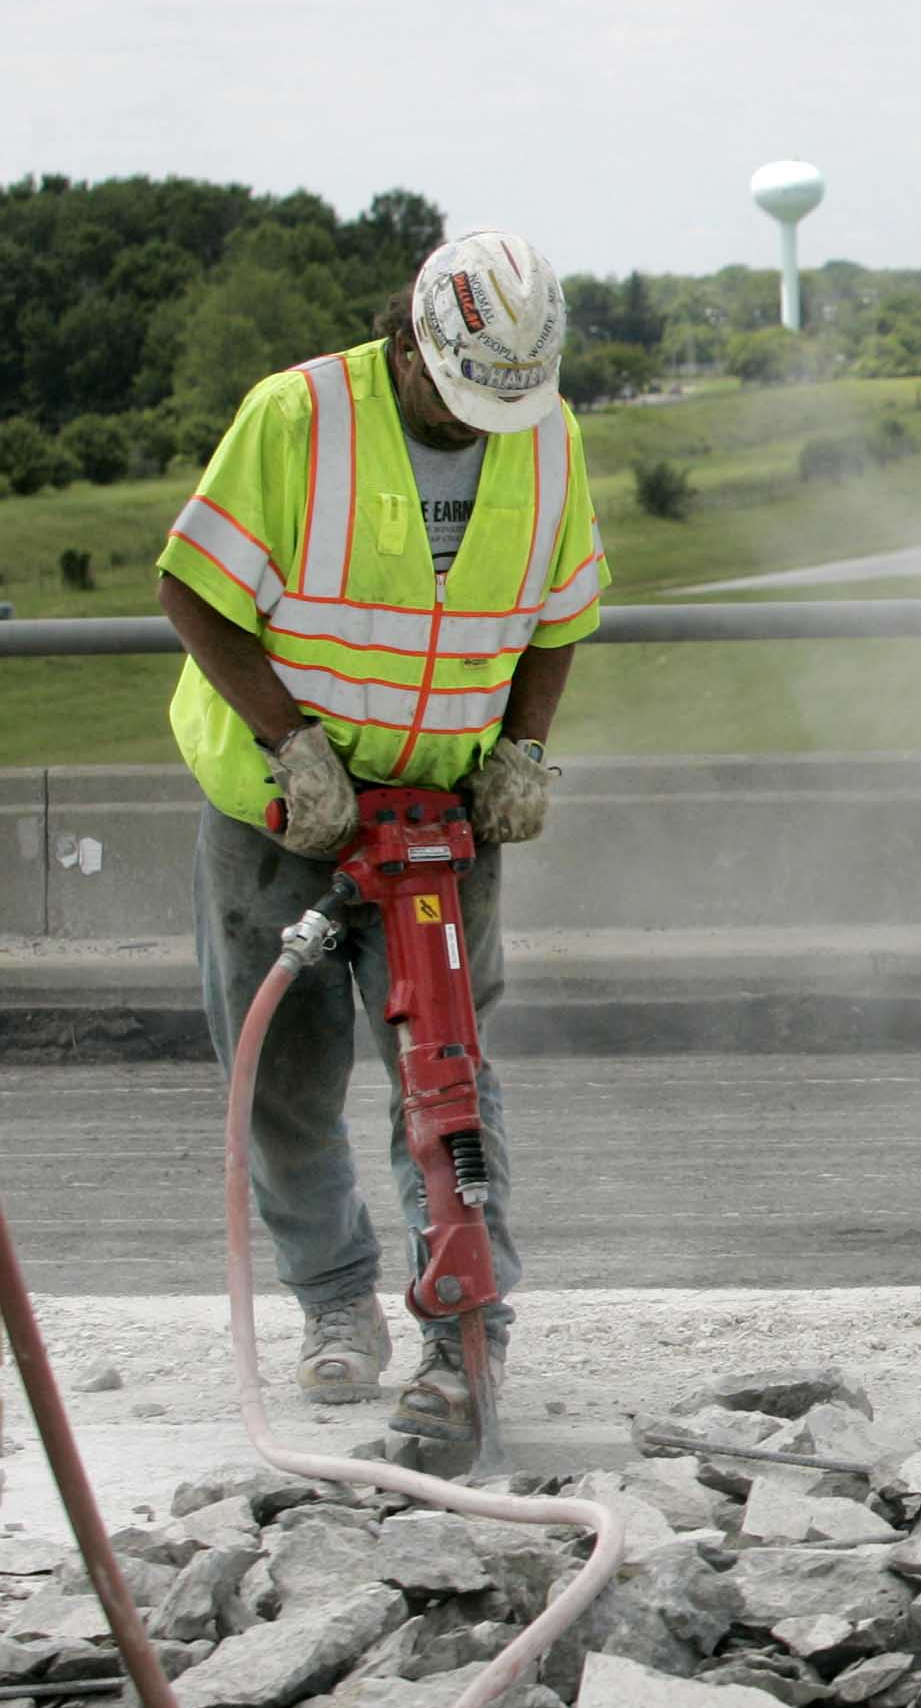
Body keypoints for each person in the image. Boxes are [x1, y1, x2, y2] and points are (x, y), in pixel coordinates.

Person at [154, 230, 606, 1442]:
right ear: (410, 341)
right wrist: (290, 745)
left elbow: (560, 609)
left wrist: (522, 749)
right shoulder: (296, 417)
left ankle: (470, 1325)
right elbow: (194, 587)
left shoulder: (544, 434)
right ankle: (335, 1300)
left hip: (446, 812)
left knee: (447, 1074)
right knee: (286, 1082)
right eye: (460, 402)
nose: (480, 430)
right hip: (284, 810)